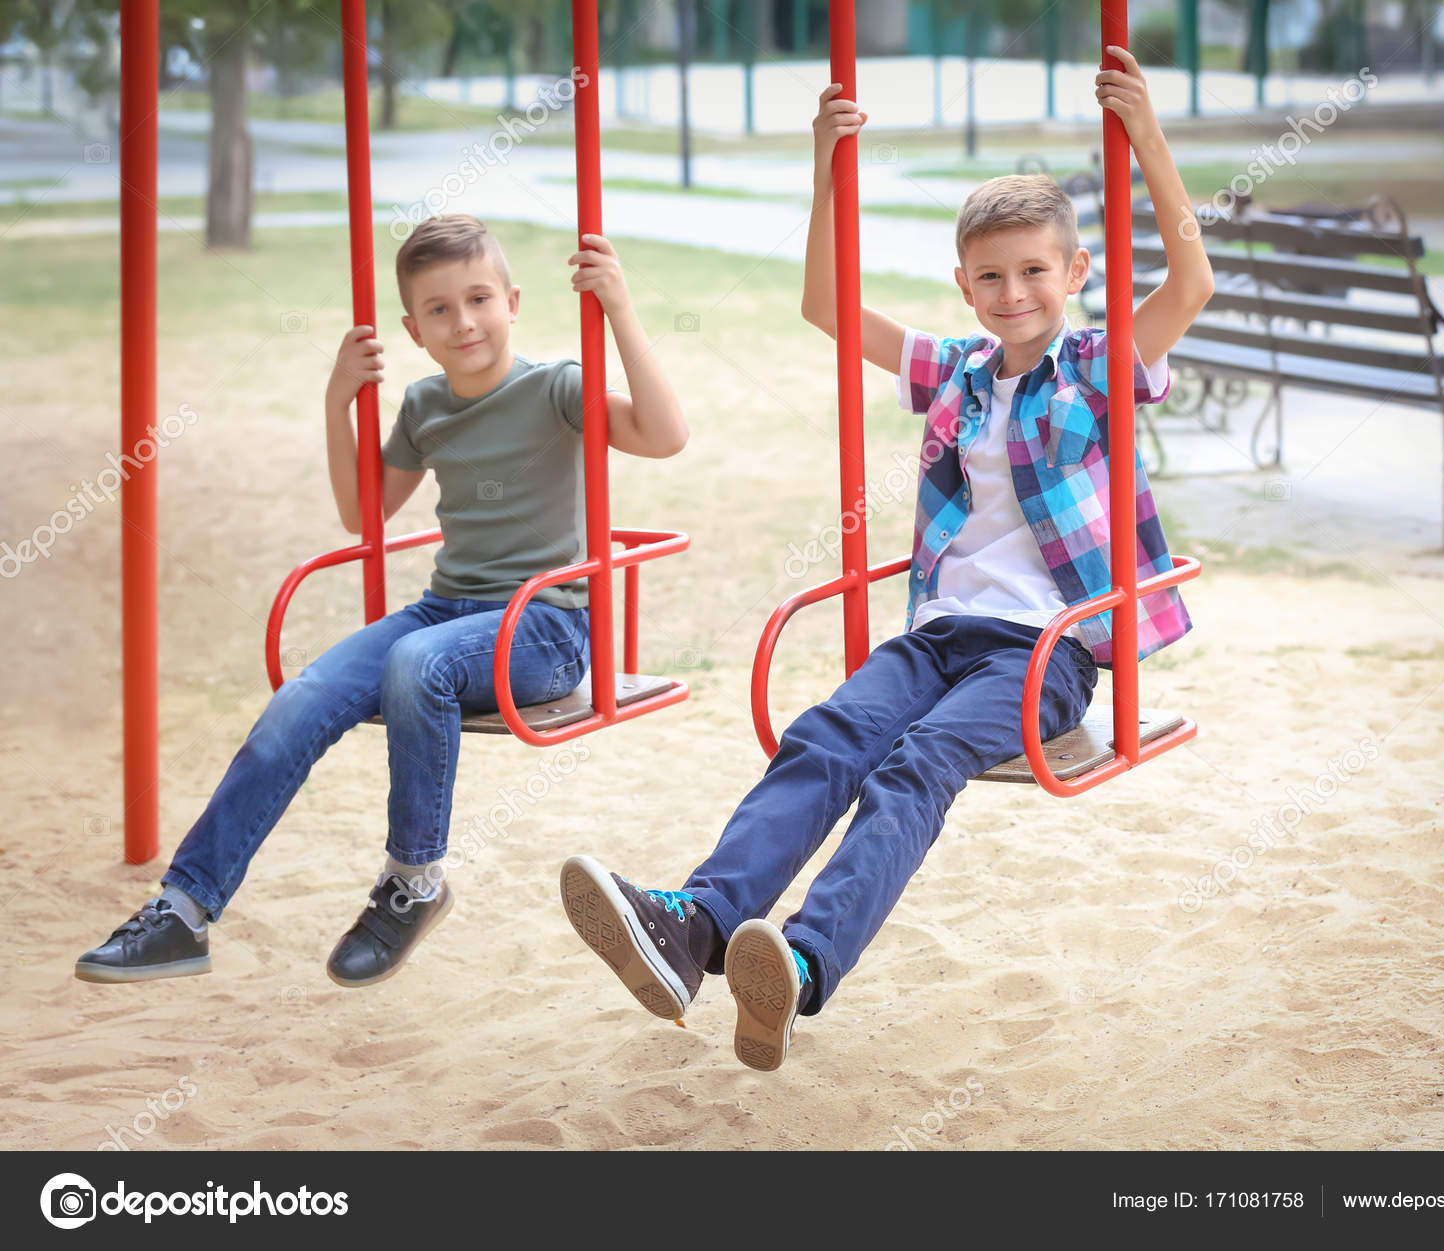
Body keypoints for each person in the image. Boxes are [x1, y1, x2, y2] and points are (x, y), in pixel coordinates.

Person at [560, 49, 1210, 1072]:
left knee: (918, 766)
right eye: (990, 277)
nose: (1012, 294)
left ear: (1076, 274)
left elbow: (1193, 278)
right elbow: (827, 306)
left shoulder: (1099, 364)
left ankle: (802, 965)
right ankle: (692, 925)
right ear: (964, 284)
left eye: (1035, 271)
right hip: (938, 637)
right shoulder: (953, 369)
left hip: (1042, 654)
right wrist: (826, 161)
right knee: (823, 739)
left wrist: (1149, 140)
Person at [76, 214, 688, 987]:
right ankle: (184, 912)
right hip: (447, 611)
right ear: (414, 329)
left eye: (478, 299)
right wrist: (339, 404)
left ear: (512, 301)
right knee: (301, 699)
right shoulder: (426, 405)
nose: (463, 321)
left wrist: (620, 310)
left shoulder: (556, 387)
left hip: (546, 624)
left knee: (416, 662)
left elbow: (666, 435)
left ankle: (414, 883)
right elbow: (365, 514)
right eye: (439, 309)